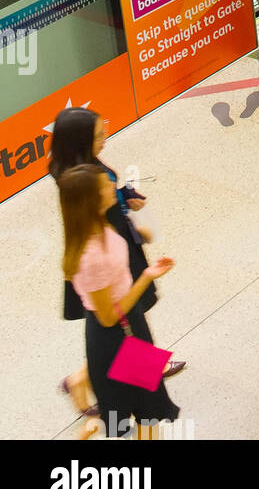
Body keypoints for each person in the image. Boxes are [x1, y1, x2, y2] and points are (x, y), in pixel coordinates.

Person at [49, 108, 183, 429]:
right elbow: (110, 316)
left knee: (149, 397)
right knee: (142, 403)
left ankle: (132, 373)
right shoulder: (95, 253)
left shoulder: (81, 184)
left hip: (122, 315)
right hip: (118, 317)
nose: (105, 140)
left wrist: (125, 200)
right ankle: (82, 378)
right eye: (98, 136)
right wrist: (145, 275)